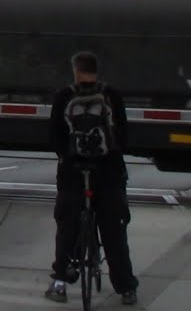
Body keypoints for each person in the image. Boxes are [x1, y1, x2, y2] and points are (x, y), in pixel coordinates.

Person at [44, 50, 139, 305]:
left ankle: (60, 283)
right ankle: (126, 288)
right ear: (96, 71)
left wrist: (67, 157)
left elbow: (55, 136)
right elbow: (123, 136)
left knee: (67, 226)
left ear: (76, 71)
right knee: (114, 232)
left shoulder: (64, 96)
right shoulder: (112, 95)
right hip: (108, 172)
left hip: (73, 173)